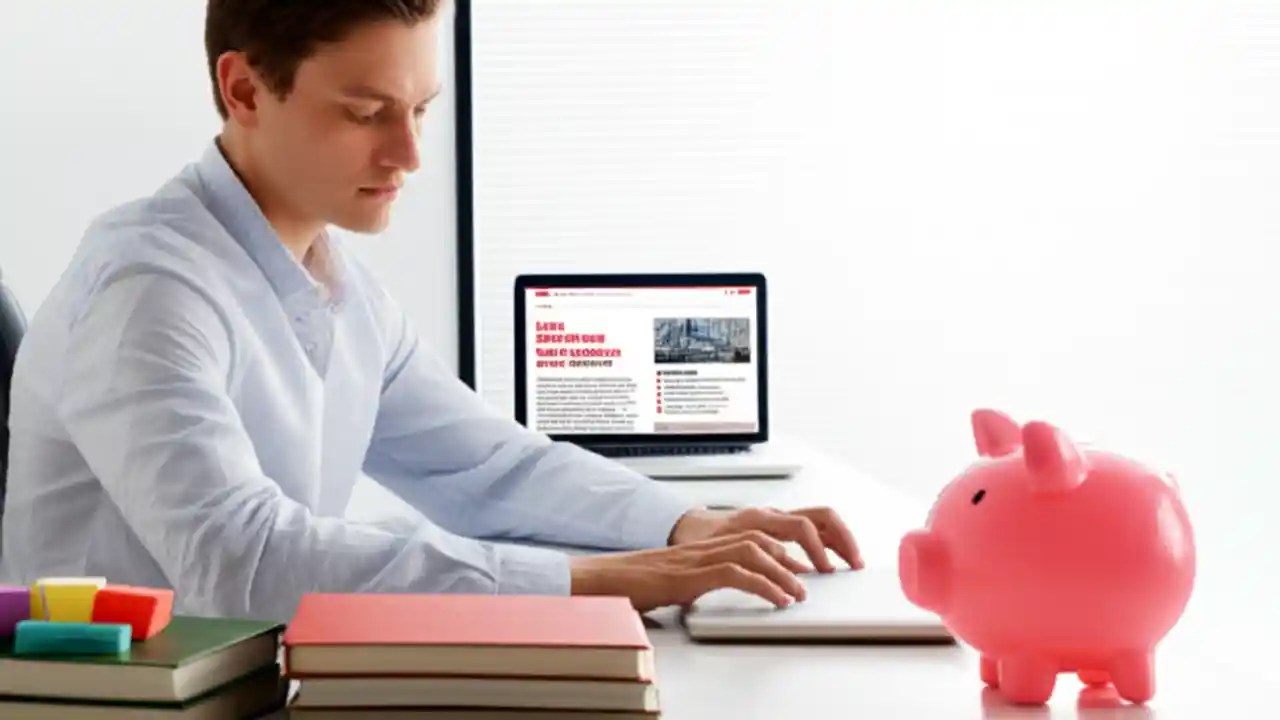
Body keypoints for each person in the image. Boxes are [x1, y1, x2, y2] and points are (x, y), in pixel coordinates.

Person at [1, 0, 863, 622]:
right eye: (368, 112)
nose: (409, 153)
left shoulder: (337, 284)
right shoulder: (146, 290)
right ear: (246, 90)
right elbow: (242, 561)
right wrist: (609, 580)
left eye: (419, 110)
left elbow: (488, 467)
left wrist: (688, 525)